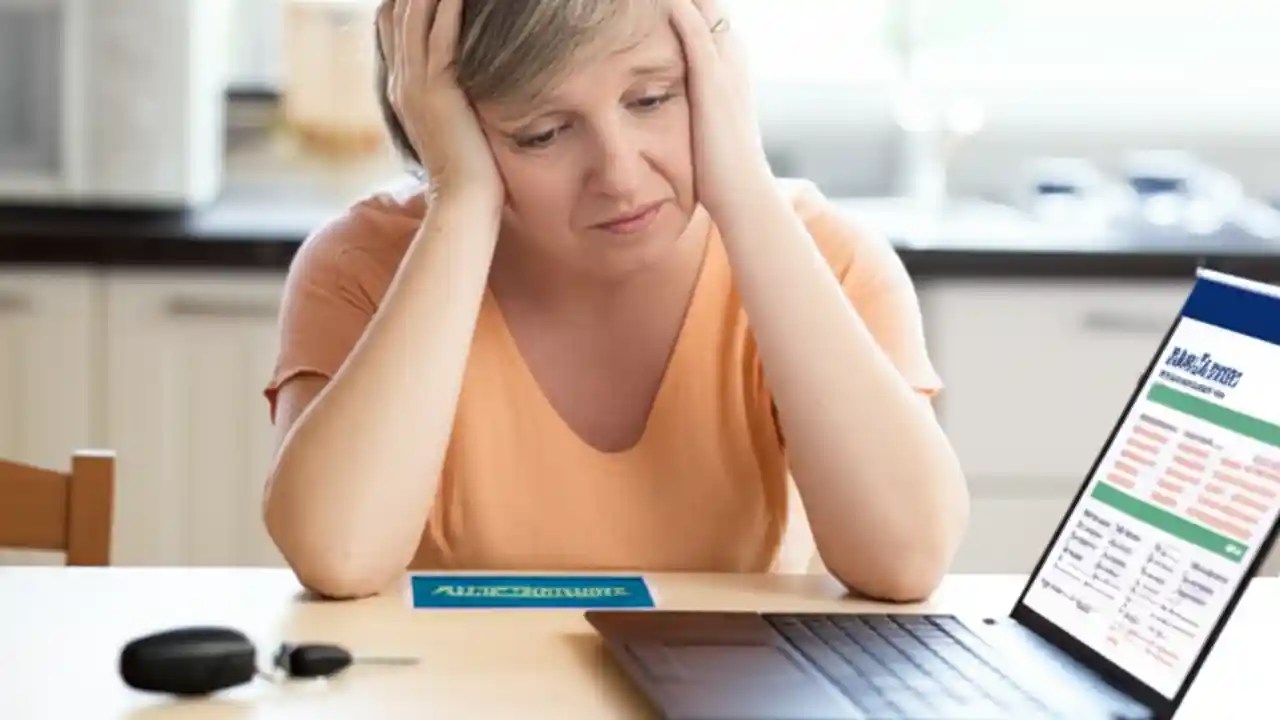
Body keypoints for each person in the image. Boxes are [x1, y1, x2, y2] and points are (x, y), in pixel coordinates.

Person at [262, 0, 970, 601]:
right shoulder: (364, 265)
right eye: (541, 133)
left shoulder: (824, 259)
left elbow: (905, 559)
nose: (621, 176)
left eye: (652, 99)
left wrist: (746, 191)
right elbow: (339, 555)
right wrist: (462, 202)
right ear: (439, 125)